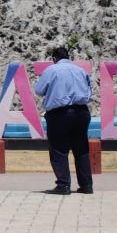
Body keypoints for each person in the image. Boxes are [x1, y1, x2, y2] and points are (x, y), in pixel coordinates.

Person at [34, 46, 93, 195]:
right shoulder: (80, 70)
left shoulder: (52, 70)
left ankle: (63, 185)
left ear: (54, 58)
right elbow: (89, 88)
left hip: (60, 113)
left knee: (59, 149)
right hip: (82, 112)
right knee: (81, 149)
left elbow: (39, 90)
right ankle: (86, 185)